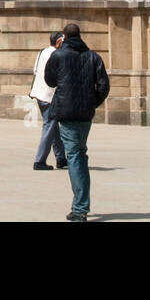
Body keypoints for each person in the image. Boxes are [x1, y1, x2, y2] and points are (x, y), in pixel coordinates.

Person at [43, 23, 109, 222]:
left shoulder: (58, 55)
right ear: (80, 36)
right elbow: (104, 86)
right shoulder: (93, 56)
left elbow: (50, 81)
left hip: (67, 112)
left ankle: (80, 208)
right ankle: (81, 203)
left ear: (64, 37)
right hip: (85, 114)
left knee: (74, 157)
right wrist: (92, 103)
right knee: (79, 154)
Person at [30, 31, 67, 171]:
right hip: (50, 97)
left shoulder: (42, 52)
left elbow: (35, 71)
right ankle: (39, 161)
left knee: (53, 127)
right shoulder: (57, 55)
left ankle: (61, 158)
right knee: (49, 126)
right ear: (59, 42)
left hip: (38, 94)